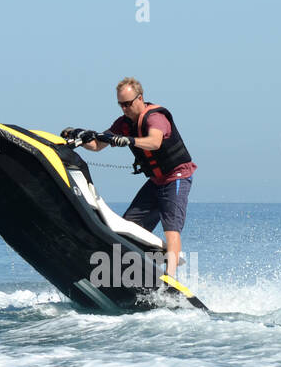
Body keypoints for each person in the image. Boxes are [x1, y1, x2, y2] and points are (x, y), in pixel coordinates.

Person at [75, 78, 196, 277]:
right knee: (128, 227)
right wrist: (80, 137)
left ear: (140, 98)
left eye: (127, 104)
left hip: (176, 177)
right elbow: (97, 145)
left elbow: (154, 142)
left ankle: (170, 276)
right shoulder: (123, 123)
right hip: (156, 181)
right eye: (120, 105)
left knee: (171, 227)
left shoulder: (155, 118)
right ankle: (136, 271)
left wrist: (129, 140)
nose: (124, 109)